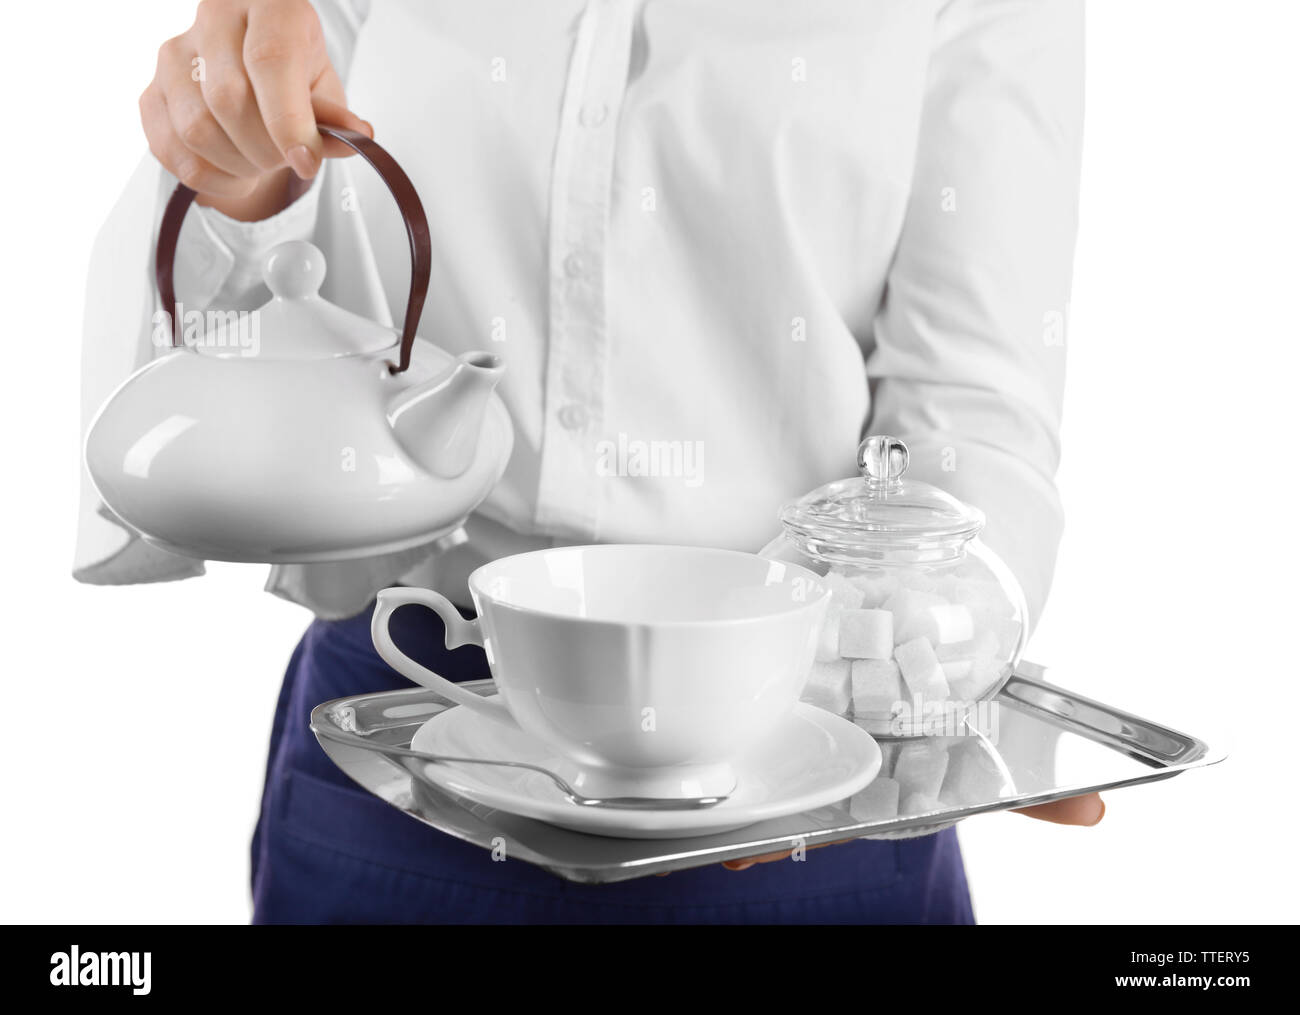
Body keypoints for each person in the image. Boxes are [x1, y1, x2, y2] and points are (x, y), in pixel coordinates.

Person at [75, 0, 1103, 924]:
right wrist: (232, 177)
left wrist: (922, 648)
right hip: (410, 741)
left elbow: (976, 402)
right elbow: (224, 321)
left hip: (799, 769)